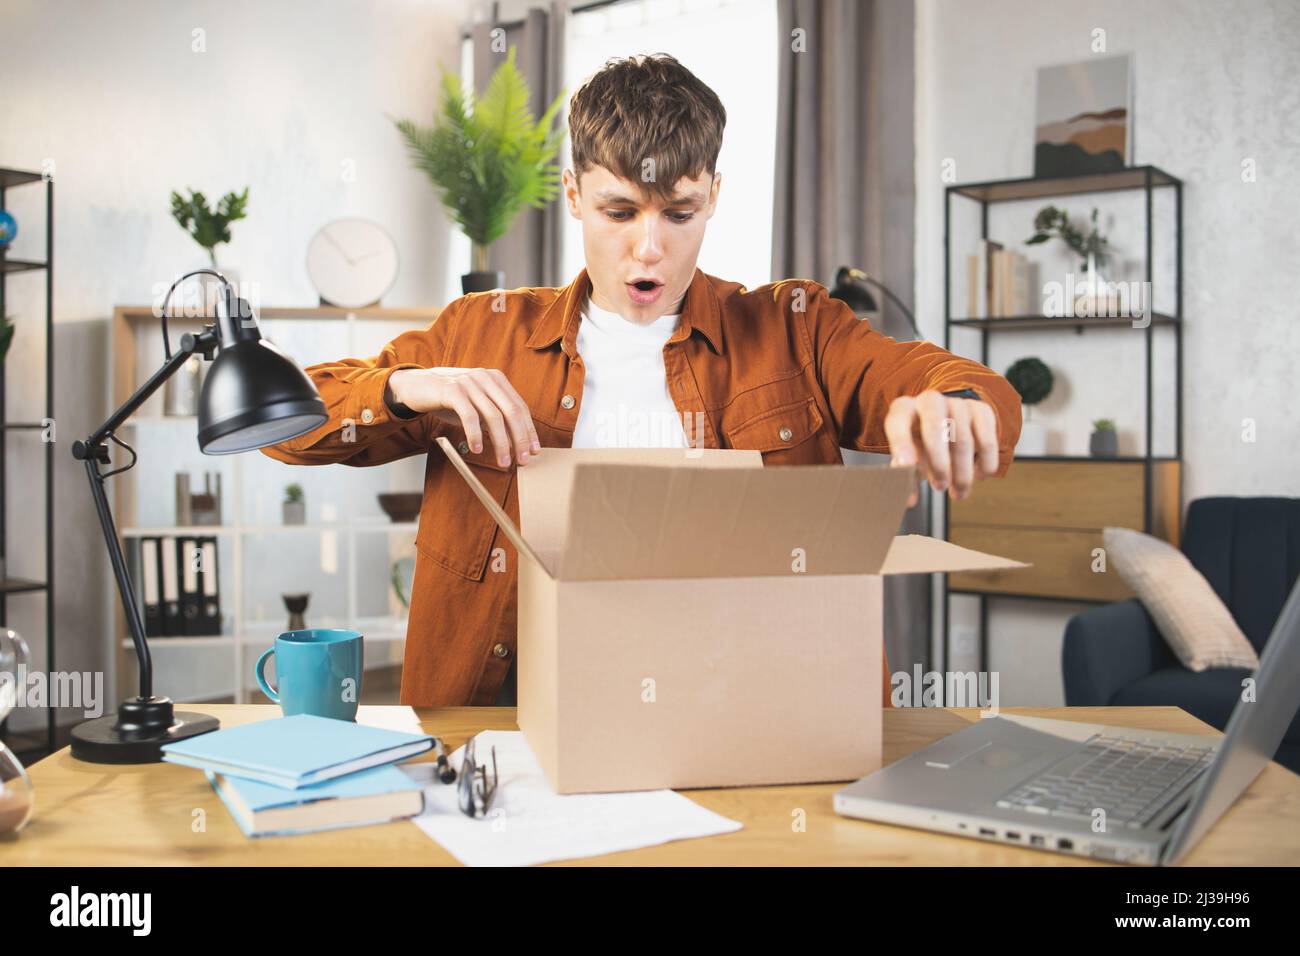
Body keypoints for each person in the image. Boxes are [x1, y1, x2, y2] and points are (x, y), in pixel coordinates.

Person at [262, 53, 1022, 709]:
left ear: (714, 197)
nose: (648, 250)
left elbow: (953, 379)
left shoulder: (796, 326)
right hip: (513, 722)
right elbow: (288, 425)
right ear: (572, 195)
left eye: (680, 213)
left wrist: (957, 409)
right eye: (619, 212)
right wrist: (405, 388)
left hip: (747, 716)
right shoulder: (480, 329)